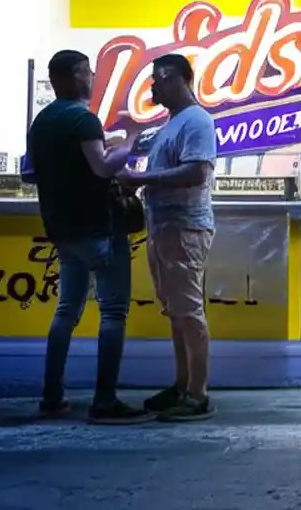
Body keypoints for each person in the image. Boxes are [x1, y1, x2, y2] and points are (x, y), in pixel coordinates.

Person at [28, 50, 151, 425]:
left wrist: (104, 144)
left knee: (66, 311)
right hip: (98, 228)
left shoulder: (43, 121)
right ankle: (105, 400)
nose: (92, 76)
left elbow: (55, 168)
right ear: (68, 78)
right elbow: (101, 167)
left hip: (63, 230)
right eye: (86, 71)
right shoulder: (83, 118)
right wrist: (130, 141)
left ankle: (52, 397)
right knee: (113, 312)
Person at [122, 53, 219, 422]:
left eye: (155, 79)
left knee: (188, 312)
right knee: (177, 312)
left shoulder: (196, 121)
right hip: (166, 228)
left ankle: (198, 393)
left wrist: (141, 180)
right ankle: (182, 386)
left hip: (184, 228)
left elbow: (195, 173)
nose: (151, 86)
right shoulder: (174, 122)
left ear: (171, 77)